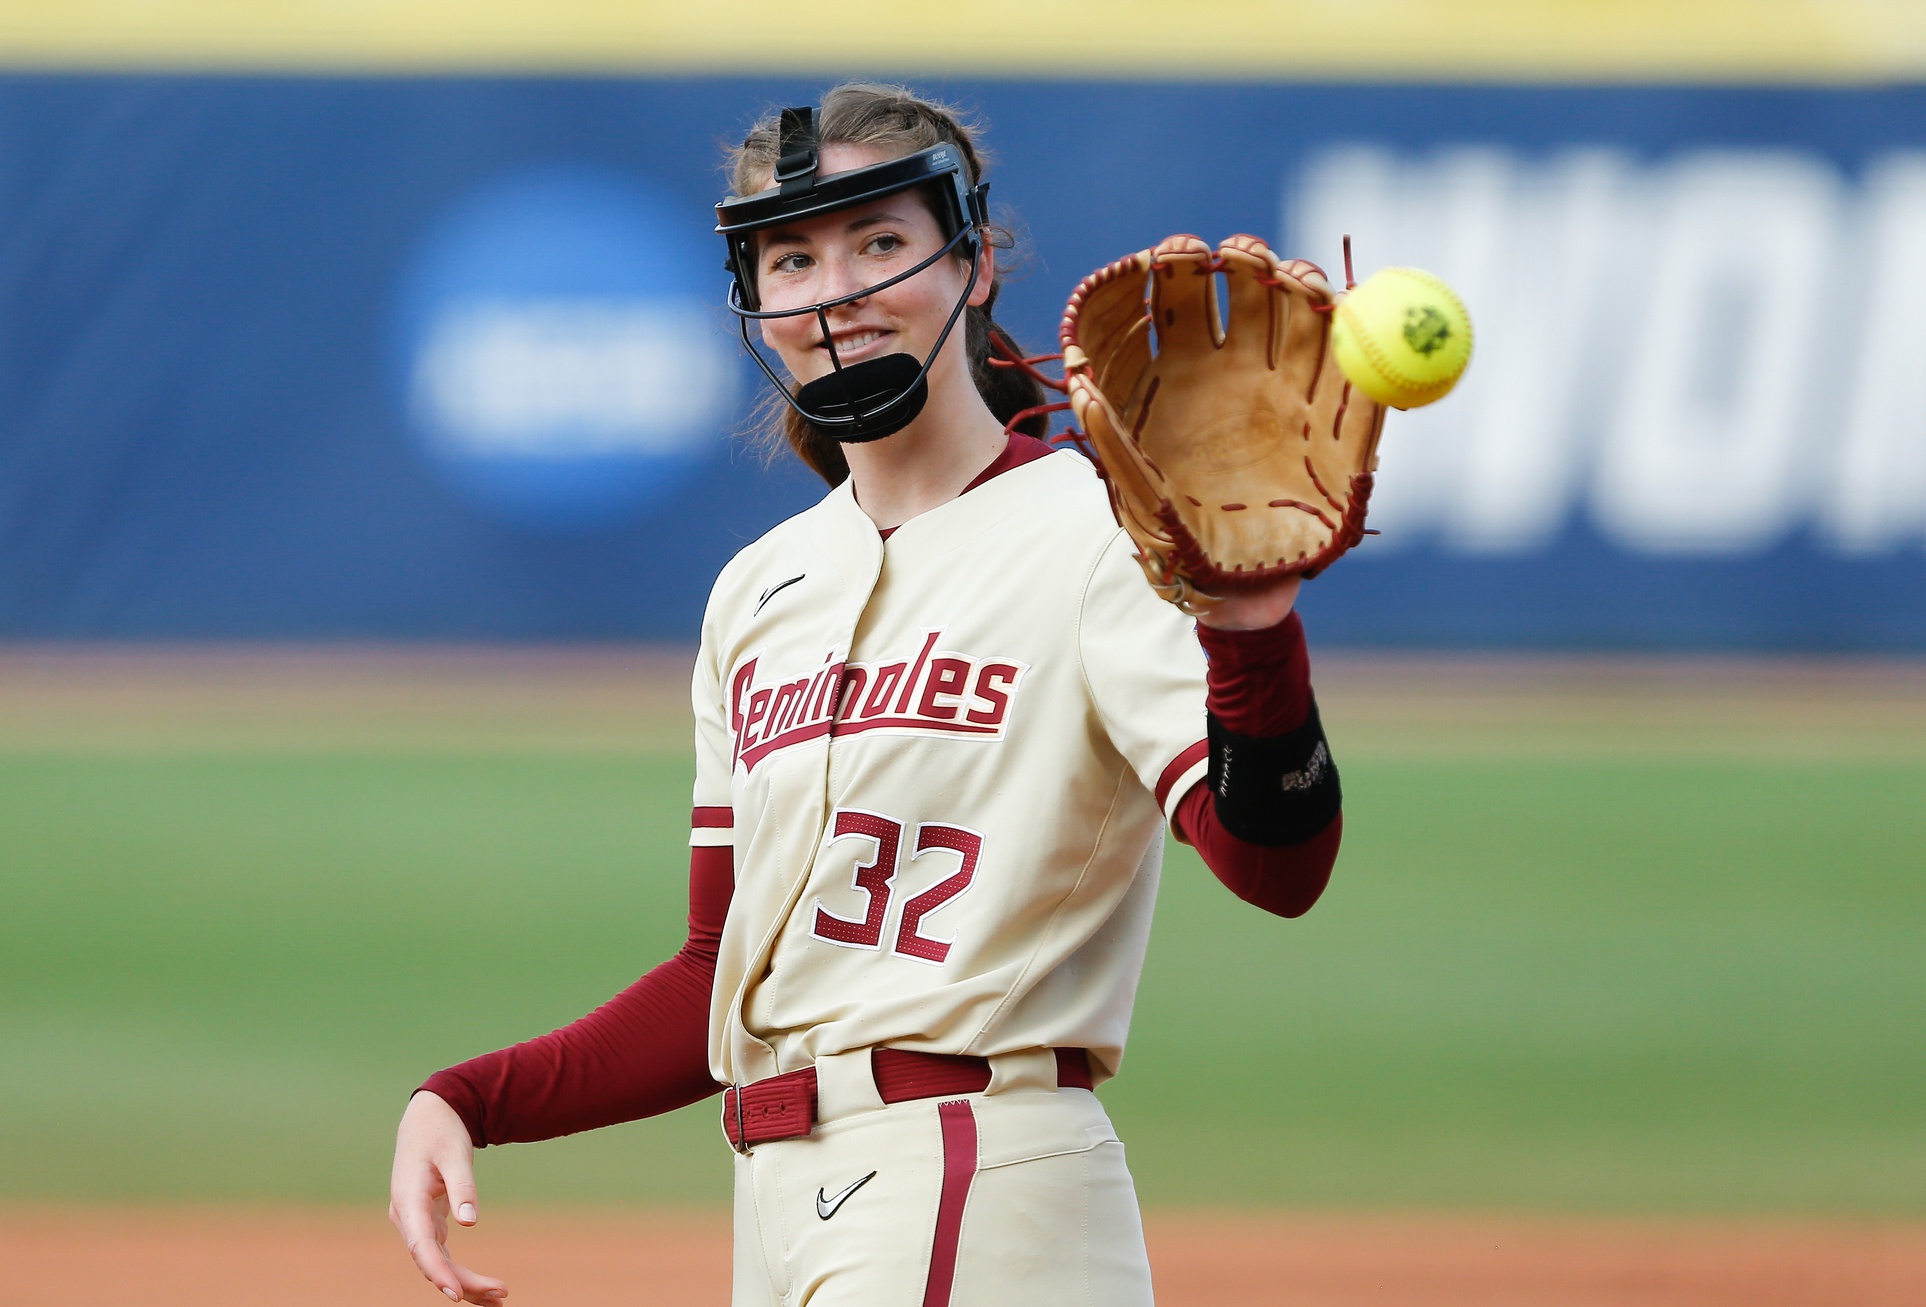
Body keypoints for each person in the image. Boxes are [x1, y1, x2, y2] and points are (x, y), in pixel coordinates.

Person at [389, 82, 1345, 1306]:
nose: (835, 292)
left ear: (976, 261)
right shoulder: (759, 592)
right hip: (785, 1193)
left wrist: (1252, 635)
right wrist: (469, 1096)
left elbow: (1278, 863)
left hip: (977, 1169)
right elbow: (716, 975)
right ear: (755, 301)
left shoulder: (1098, 531)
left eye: (880, 241)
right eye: (792, 258)